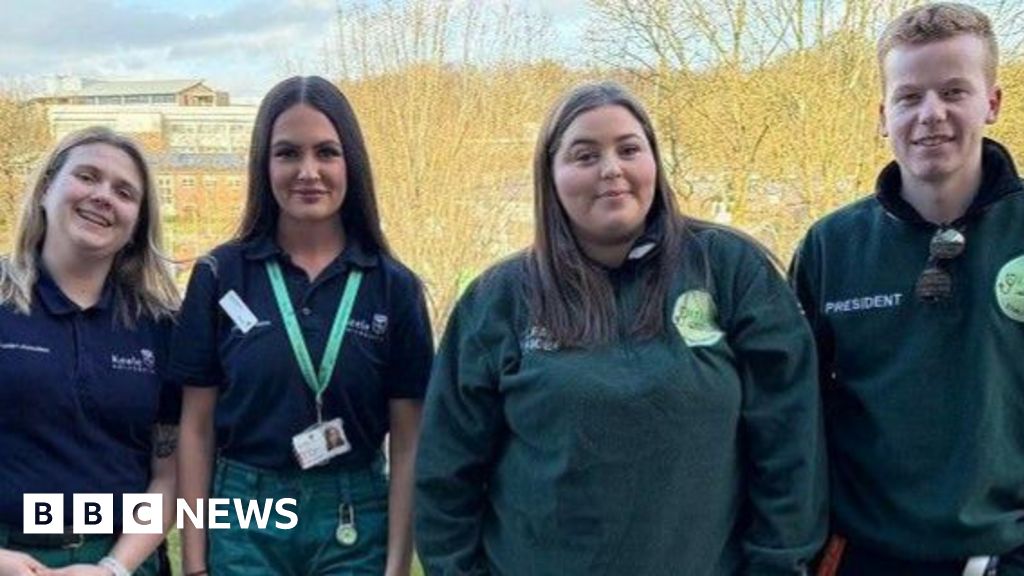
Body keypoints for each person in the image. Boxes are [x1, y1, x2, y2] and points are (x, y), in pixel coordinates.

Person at [415, 81, 826, 575]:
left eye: (629, 149)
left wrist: (776, 566)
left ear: (653, 160)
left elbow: (790, 440)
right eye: (585, 155)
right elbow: (445, 476)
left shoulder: (730, 269)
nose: (612, 170)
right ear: (551, 175)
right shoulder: (498, 300)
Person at [789, 4, 1024, 574]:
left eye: (954, 91)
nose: (931, 114)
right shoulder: (830, 247)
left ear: (992, 102)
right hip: (863, 557)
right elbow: (793, 413)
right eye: (909, 96)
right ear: (882, 114)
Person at [171, 76, 433, 576]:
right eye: (288, 153)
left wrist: (396, 565)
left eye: (327, 152)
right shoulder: (219, 275)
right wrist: (197, 562)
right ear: (263, 164)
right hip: (244, 513)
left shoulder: (393, 287)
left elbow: (408, 441)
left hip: (353, 515)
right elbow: (196, 428)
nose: (308, 171)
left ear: (350, 163)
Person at [0, 127, 180, 576]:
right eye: (87, 176)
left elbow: (170, 476)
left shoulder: (163, 327)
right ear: (45, 189)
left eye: (124, 191)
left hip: (122, 562)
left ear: (138, 221)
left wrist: (113, 568)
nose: (103, 196)